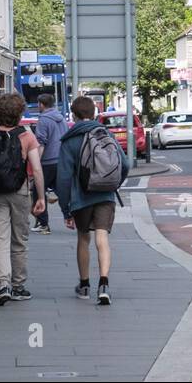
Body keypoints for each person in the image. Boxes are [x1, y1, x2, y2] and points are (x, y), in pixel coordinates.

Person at [57, 95, 131, 304]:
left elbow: (63, 178)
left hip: (81, 198)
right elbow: (124, 165)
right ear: (94, 113)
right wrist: (113, 184)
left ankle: (84, 285)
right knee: (102, 238)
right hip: (105, 195)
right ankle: (104, 285)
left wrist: (65, 209)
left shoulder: (70, 140)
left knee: (83, 238)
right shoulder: (105, 133)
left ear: (73, 114)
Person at [0, 92, 45, 306]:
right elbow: (36, 168)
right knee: (19, 240)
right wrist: (41, 196)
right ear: (19, 113)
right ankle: (18, 286)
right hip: (20, 192)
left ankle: (2, 284)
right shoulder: (26, 136)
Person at [31, 93, 67, 234]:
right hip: (61, 160)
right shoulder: (61, 119)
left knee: (37, 191)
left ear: (41, 104)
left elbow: (41, 142)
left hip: (47, 162)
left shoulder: (43, 120)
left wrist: (36, 162)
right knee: (62, 192)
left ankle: (43, 223)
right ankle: (72, 216)